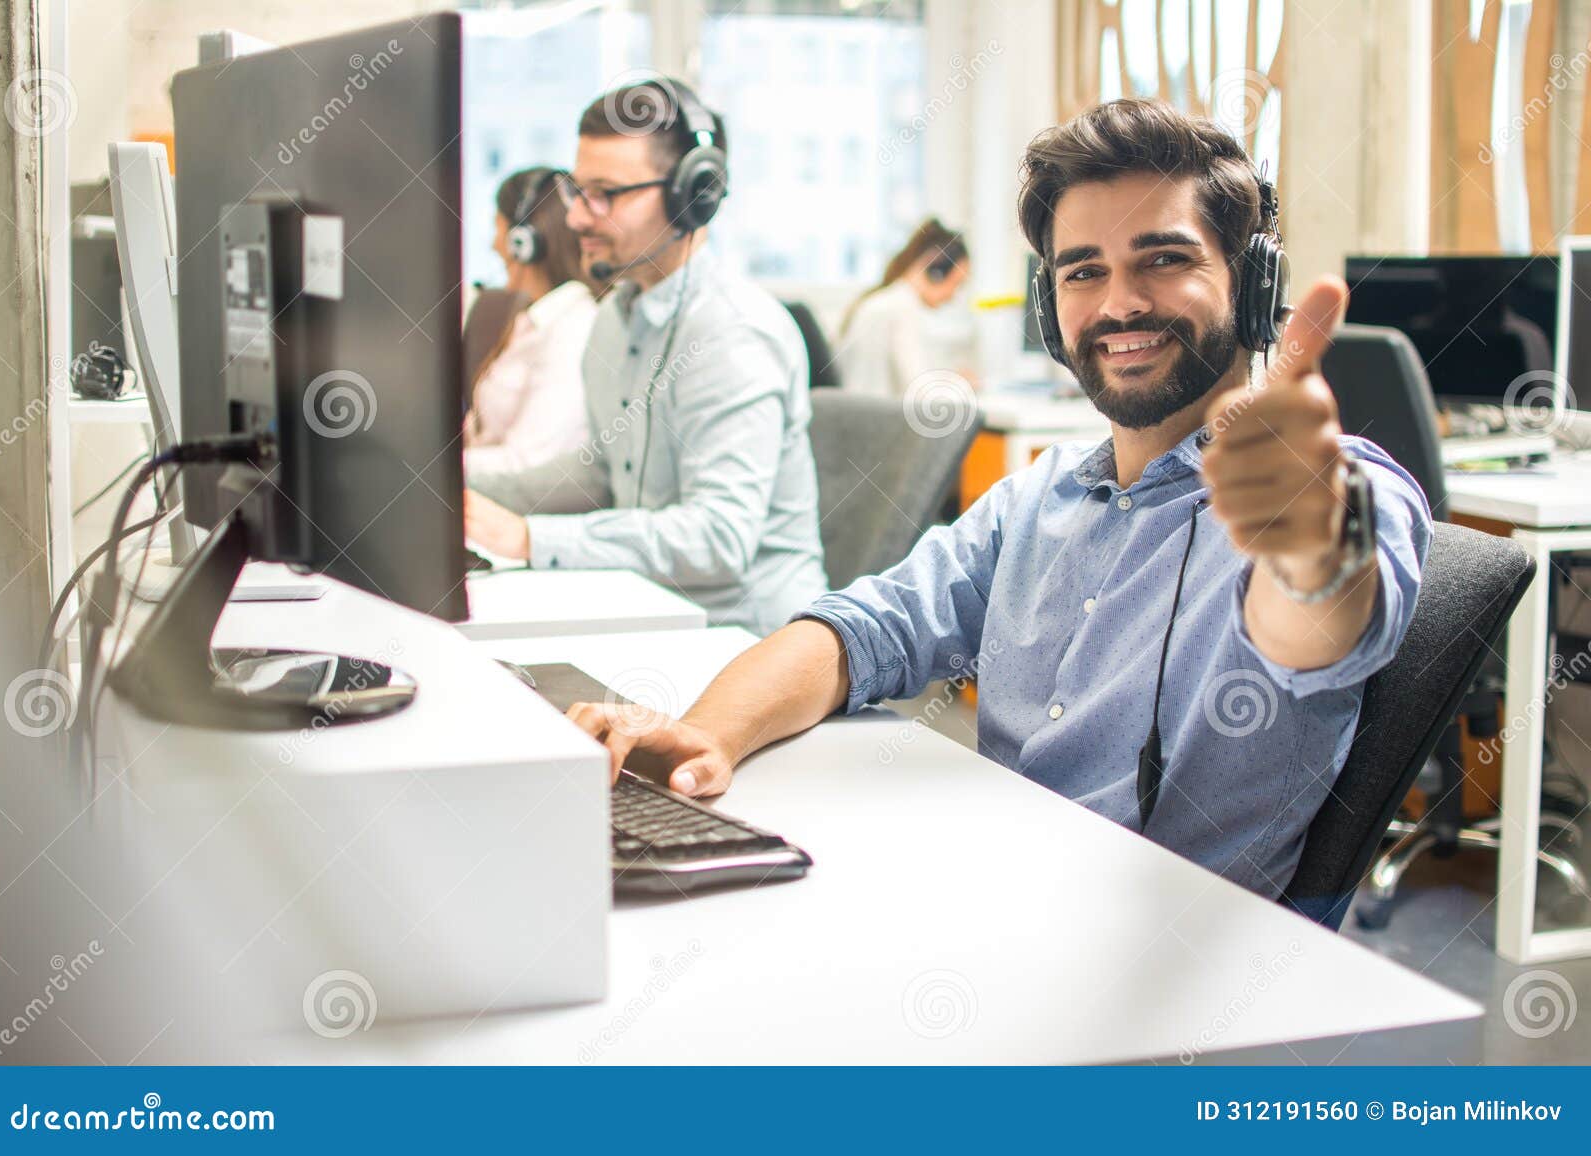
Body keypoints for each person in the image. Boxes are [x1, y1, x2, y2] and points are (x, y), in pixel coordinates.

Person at [564, 99, 1433, 900]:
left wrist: (1311, 537)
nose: (1120, 303)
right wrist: (710, 734)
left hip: (1157, 980)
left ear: (1252, 286)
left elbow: (1315, 613)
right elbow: (861, 631)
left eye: (1164, 260)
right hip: (993, 900)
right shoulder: (1039, 498)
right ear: (1052, 312)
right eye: (1082, 272)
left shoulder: (1341, 489)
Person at [463, 80, 827, 637]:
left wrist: (532, 539)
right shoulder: (615, 317)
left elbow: (718, 539)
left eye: (606, 193)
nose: (579, 218)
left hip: (746, 640)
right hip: (648, 608)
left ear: (691, 194)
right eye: (577, 191)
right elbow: (605, 471)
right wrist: (456, 485)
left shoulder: (733, 334)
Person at [464, 168, 599, 475]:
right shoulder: (533, 319)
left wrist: (431, 465)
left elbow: (528, 462)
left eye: (497, 229)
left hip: (512, 504)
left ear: (522, 242)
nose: (493, 245)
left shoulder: (572, 331)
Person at [836, 218, 974, 397]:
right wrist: (962, 384)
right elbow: (921, 391)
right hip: (878, 420)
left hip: (862, 415)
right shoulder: (901, 308)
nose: (952, 296)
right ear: (936, 272)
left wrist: (949, 378)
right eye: (956, 284)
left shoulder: (884, 300)